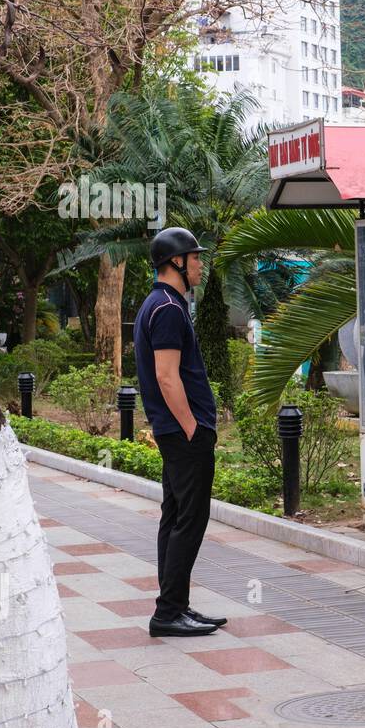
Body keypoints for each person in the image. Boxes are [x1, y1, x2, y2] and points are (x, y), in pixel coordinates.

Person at [134, 227, 227, 636]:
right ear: (176, 262)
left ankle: (174, 606)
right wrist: (193, 428)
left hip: (173, 431)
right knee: (189, 519)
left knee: (174, 517)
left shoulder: (158, 303)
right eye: (195, 258)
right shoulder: (168, 308)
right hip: (183, 433)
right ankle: (169, 612)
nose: (200, 265)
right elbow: (167, 377)